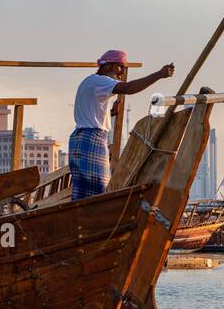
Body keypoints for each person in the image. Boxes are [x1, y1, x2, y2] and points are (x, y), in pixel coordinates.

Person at [70, 49, 176, 200]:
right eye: (120, 67)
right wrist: (159, 74)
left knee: (83, 193)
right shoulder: (101, 81)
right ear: (107, 67)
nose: (122, 73)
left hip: (80, 139)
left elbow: (90, 111)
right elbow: (128, 88)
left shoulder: (90, 82)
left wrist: (111, 113)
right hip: (91, 139)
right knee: (98, 192)